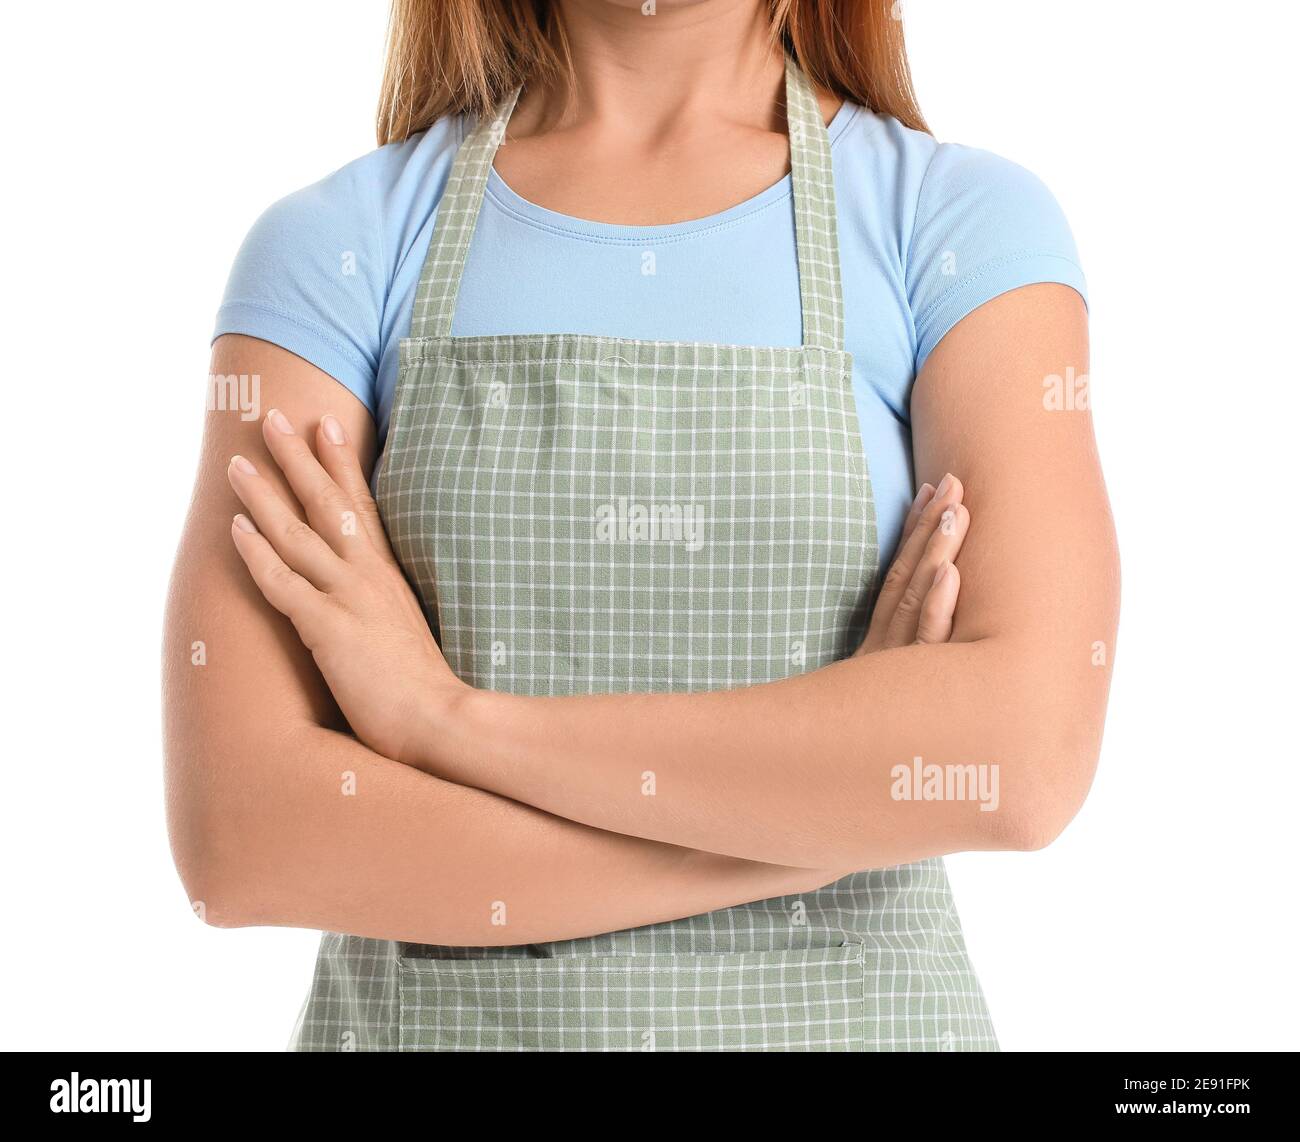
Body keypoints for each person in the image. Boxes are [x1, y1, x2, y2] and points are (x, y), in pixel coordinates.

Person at [164, 0, 1118, 1052]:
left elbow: (1021, 757)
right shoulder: (337, 246)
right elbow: (244, 836)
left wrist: (441, 718)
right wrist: (811, 835)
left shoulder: (955, 224)